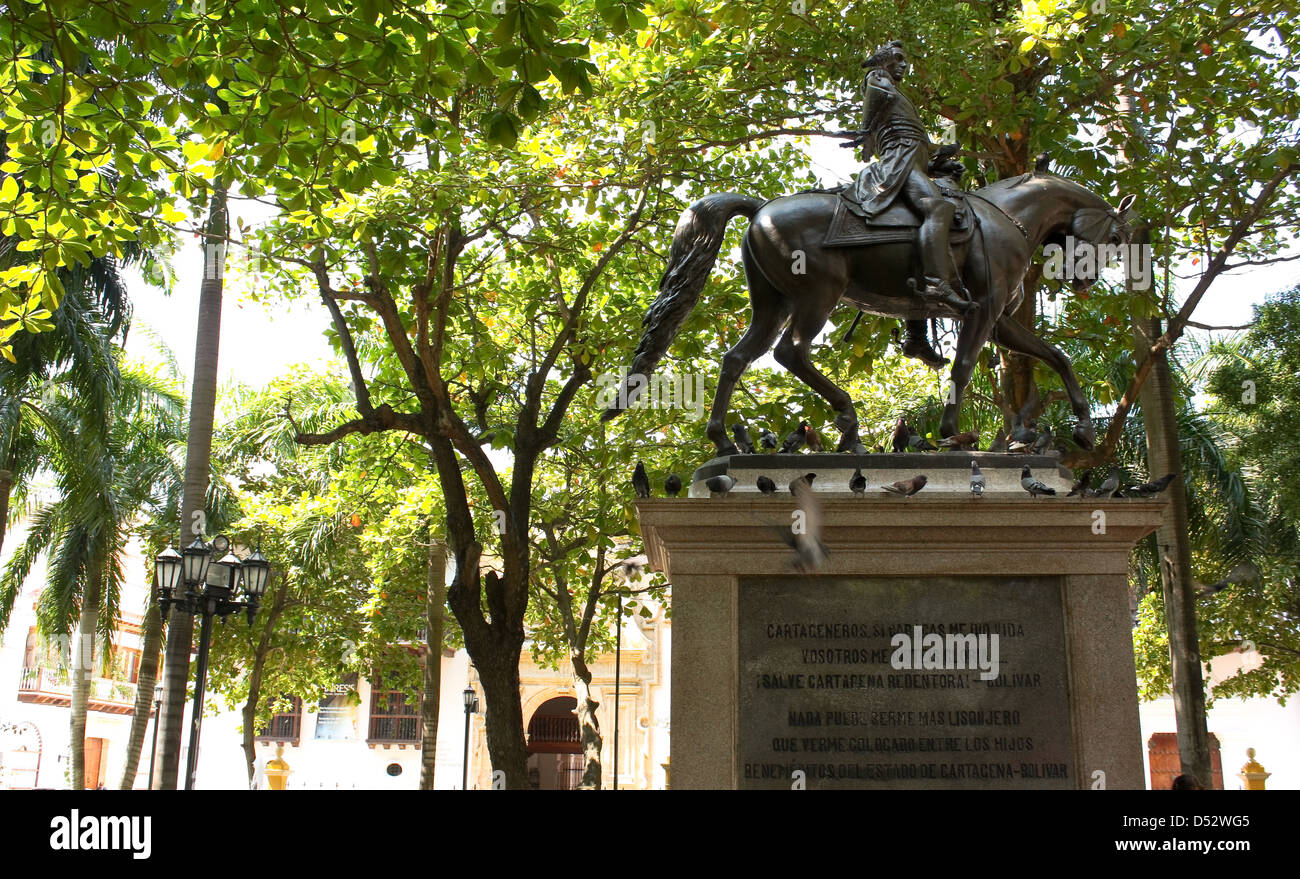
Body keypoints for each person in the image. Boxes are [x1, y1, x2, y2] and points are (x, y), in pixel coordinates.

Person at [844, 40, 969, 368]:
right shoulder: (878, 79)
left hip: (916, 159)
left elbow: (916, 138)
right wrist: (865, 127)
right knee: (938, 209)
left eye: (905, 61)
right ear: (882, 61)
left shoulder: (901, 96)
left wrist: (941, 150)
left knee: (927, 220)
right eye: (897, 59)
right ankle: (936, 284)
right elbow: (877, 99)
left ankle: (916, 335)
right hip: (900, 161)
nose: (903, 65)